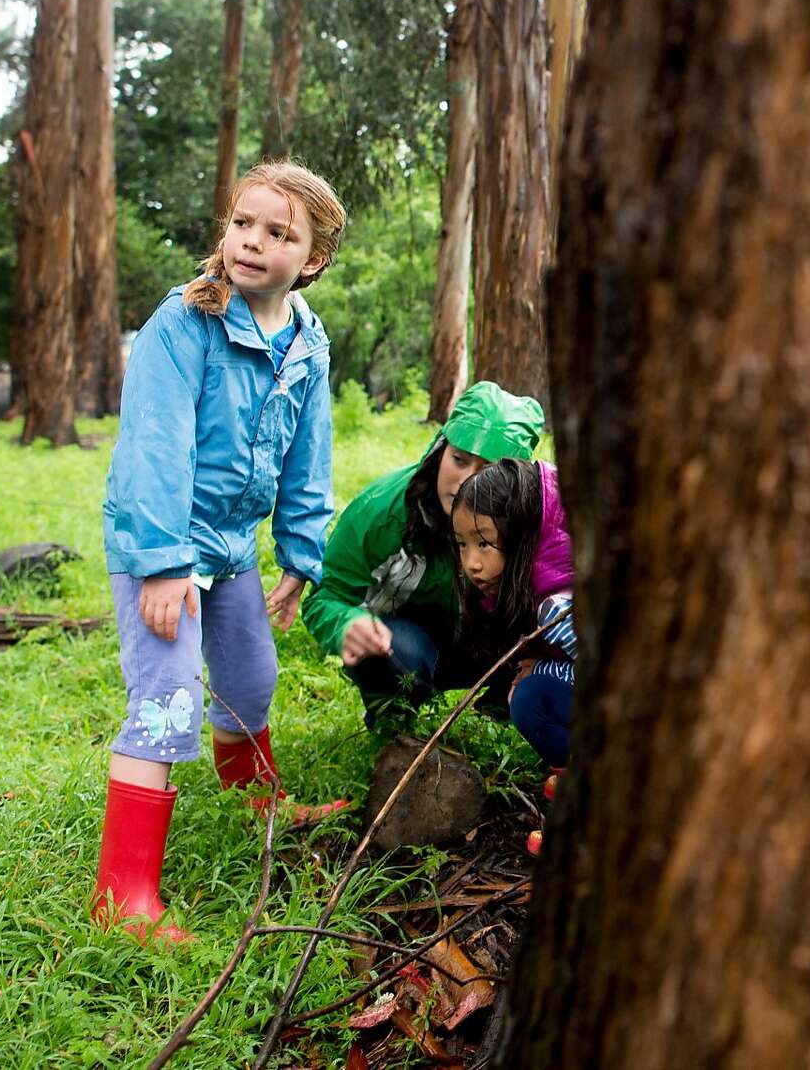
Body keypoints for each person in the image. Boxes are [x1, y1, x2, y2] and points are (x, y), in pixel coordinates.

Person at [91, 162, 349, 945]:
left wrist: (303, 557)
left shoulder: (306, 341)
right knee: (166, 699)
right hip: (162, 544)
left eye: (279, 233)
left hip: (231, 548)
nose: (252, 242)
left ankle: (254, 800)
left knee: (251, 679)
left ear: (312, 260)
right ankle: (122, 896)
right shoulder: (185, 323)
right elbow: (154, 448)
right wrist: (165, 565)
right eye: (244, 223)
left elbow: (310, 454)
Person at [300, 382, 552, 727]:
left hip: (495, 642)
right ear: (440, 449)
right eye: (459, 460)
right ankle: (394, 726)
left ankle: (511, 715)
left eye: (487, 470)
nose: (465, 481)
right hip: (414, 644)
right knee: (397, 648)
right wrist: (347, 623)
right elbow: (324, 598)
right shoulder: (382, 511)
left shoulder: (544, 524)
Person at [449, 458, 579, 853]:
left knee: (531, 697)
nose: (471, 562)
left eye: (484, 542)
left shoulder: (557, 608)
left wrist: (548, 667)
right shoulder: (549, 579)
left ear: (521, 534)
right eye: (463, 544)